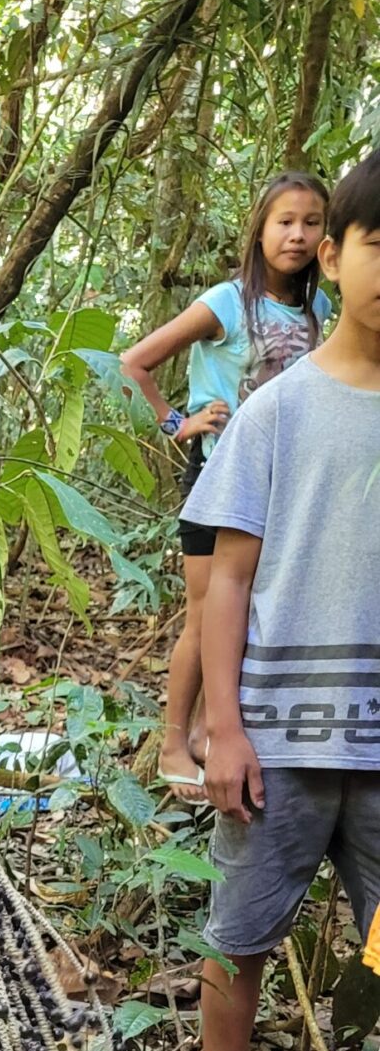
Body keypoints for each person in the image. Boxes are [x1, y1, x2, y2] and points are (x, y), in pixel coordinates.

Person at [183, 146, 380, 1051]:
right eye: (373, 241)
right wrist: (223, 723)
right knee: (239, 939)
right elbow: (226, 577)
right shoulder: (277, 409)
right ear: (336, 257)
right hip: (281, 734)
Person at [120, 172, 330, 795]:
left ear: (327, 237)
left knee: (253, 613)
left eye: (311, 222)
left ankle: (216, 735)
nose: (296, 234)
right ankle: (171, 742)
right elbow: (133, 363)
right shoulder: (226, 302)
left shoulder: (319, 309)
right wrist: (176, 422)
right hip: (218, 478)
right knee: (207, 611)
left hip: (285, 486)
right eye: (284, 221)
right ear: (260, 229)